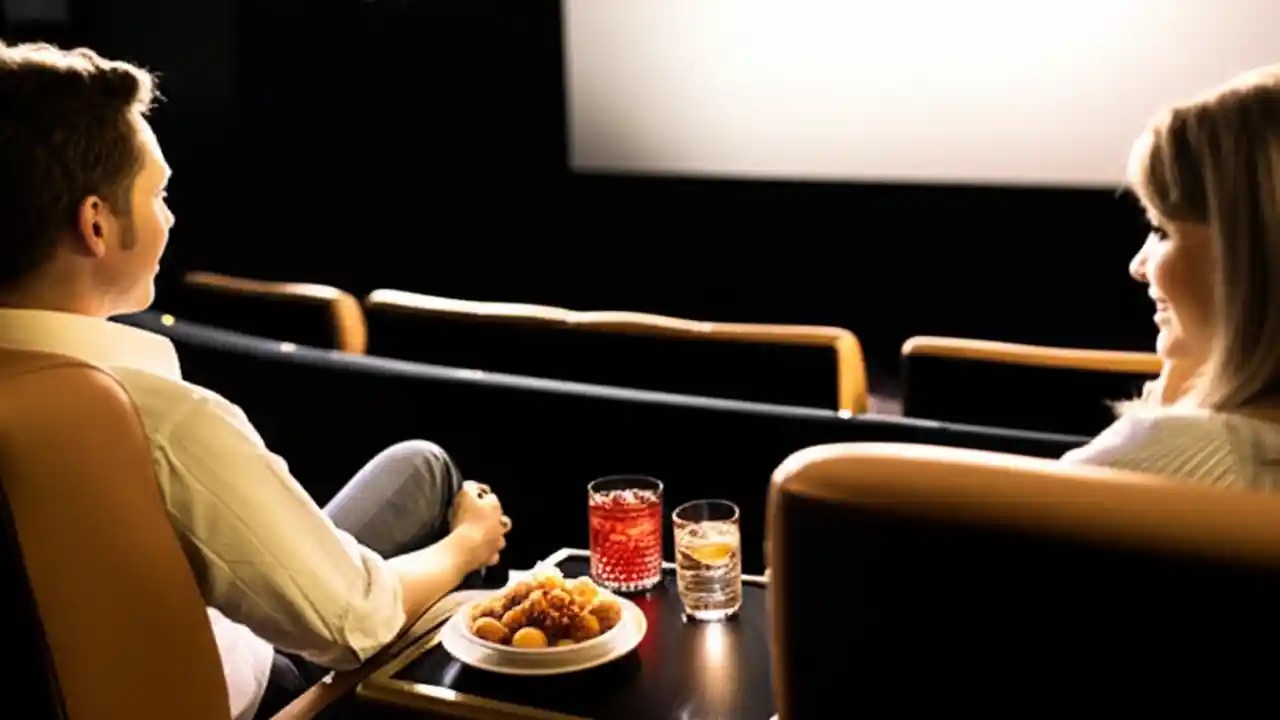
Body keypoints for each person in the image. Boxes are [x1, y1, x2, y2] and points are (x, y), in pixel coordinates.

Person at [0, 41, 512, 719]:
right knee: (441, 486)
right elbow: (355, 621)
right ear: (95, 224)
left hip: (199, 644)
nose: (171, 216)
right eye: (158, 193)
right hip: (267, 690)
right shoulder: (154, 420)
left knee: (418, 468)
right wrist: (465, 546)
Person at [1061, 64, 1280, 491]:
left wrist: (1161, 419)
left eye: (1162, 231)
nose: (1138, 266)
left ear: (1244, 260)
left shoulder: (1171, 458)